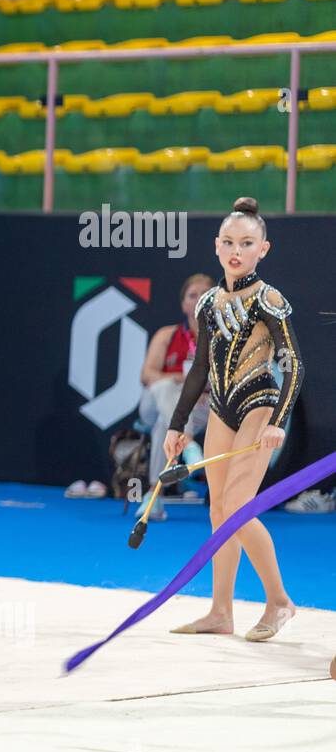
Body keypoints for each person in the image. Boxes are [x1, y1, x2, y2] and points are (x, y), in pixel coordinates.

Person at [165, 197, 304, 641]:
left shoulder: (268, 299)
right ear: (216, 245)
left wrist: (277, 420)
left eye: (246, 243)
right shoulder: (207, 302)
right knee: (219, 510)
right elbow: (199, 369)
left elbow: (295, 364)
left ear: (263, 249)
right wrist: (177, 423)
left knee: (240, 508)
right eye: (229, 242)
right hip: (222, 409)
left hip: (258, 405)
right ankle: (221, 611)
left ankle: (279, 601)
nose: (236, 251)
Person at [135, 273, 214, 519]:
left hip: (199, 406)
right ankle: (188, 442)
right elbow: (147, 375)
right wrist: (183, 380)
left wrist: (199, 387)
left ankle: (153, 496)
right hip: (156, 402)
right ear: (183, 304)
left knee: (164, 425)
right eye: (192, 295)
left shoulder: (220, 340)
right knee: (163, 388)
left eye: (205, 294)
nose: (199, 299)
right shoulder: (166, 335)